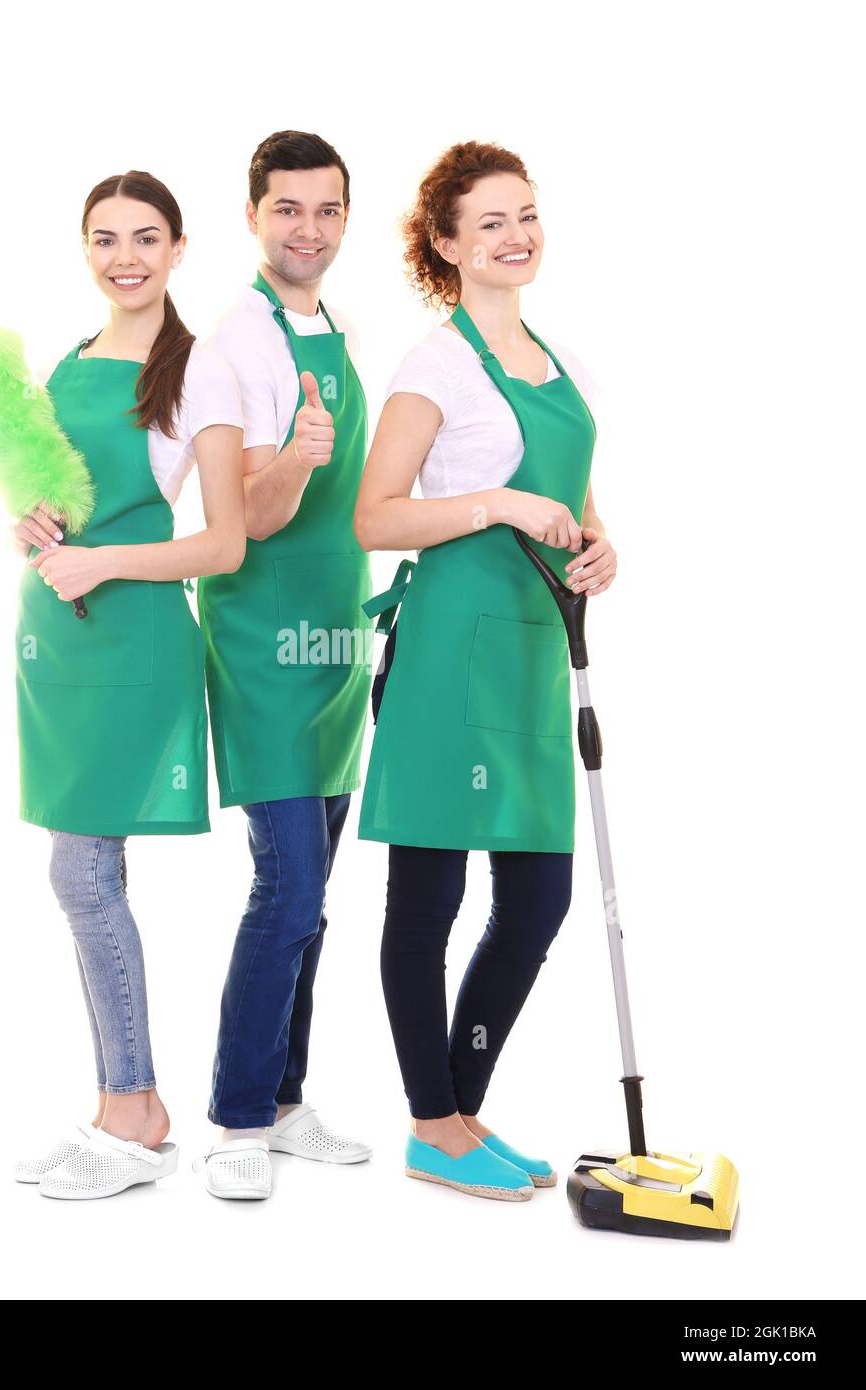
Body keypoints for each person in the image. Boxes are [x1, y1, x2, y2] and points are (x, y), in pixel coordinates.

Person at [354, 141, 619, 1201]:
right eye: (493, 222)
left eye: (529, 215)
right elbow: (375, 517)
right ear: (449, 245)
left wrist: (601, 548)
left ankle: (457, 1108)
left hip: (532, 654)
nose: (518, 236)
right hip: (449, 653)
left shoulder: (566, 364)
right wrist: (502, 503)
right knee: (429, 897)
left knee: (539, 897)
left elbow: (584, 509)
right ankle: (435, 1121)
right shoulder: (436, 367)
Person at [7, 170, 246, 1199]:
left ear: (180, 248)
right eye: (105, 239)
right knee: (80, 868)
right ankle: (121, 1105)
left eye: (146, 238)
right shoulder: (69, 360)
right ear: (86, 249)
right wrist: (35, 529)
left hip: (137, 638)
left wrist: (101, 562)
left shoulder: (200, 371)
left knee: (83, 872)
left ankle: (137, 1108)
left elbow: (225, 542)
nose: (125, 258)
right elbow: (60, 498)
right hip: (58, 643)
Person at [194, 131, 374, 1199]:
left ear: (345, 217)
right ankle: (237, 1116)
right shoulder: (238, 346)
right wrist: (299, 462)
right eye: (287, 209)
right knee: (288, 884)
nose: (308, 229)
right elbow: (246, 515)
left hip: (337, 643)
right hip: (265, 647)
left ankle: (290, 1095)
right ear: (253, 216)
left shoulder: (340, 329)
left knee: (317, 895)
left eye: (326, 210)